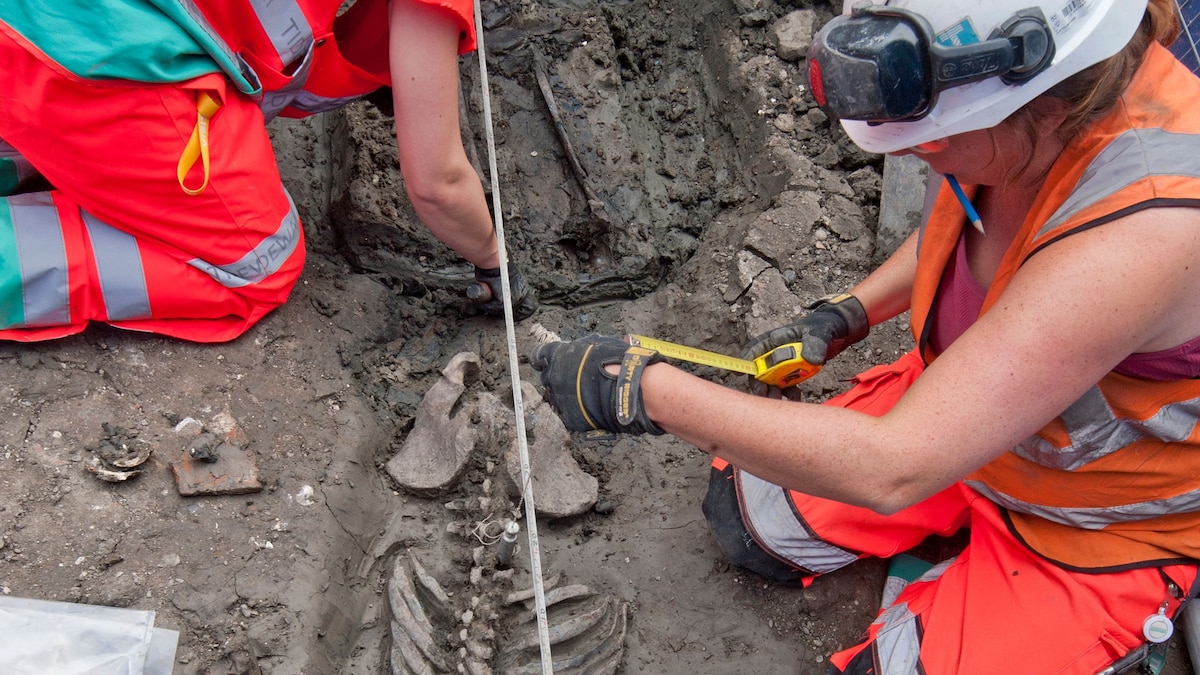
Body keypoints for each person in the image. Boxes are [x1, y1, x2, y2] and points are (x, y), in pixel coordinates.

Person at [529, 0, 1200, 672]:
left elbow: (893, 466)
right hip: (974, 413)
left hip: (1098, 514)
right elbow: (965, 221)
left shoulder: (1146, 230)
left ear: (1045, 110)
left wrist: (644, 392)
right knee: (748, 521)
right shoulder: (1007, 127)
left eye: (927, 140)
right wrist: (848, 312)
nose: (906, 149)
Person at [0, 0, 536, 344]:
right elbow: (438, 185)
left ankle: (27, 151)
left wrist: (378, 73)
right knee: (259, 261)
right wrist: (495, 261)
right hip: (90, 55)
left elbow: (286, 44)